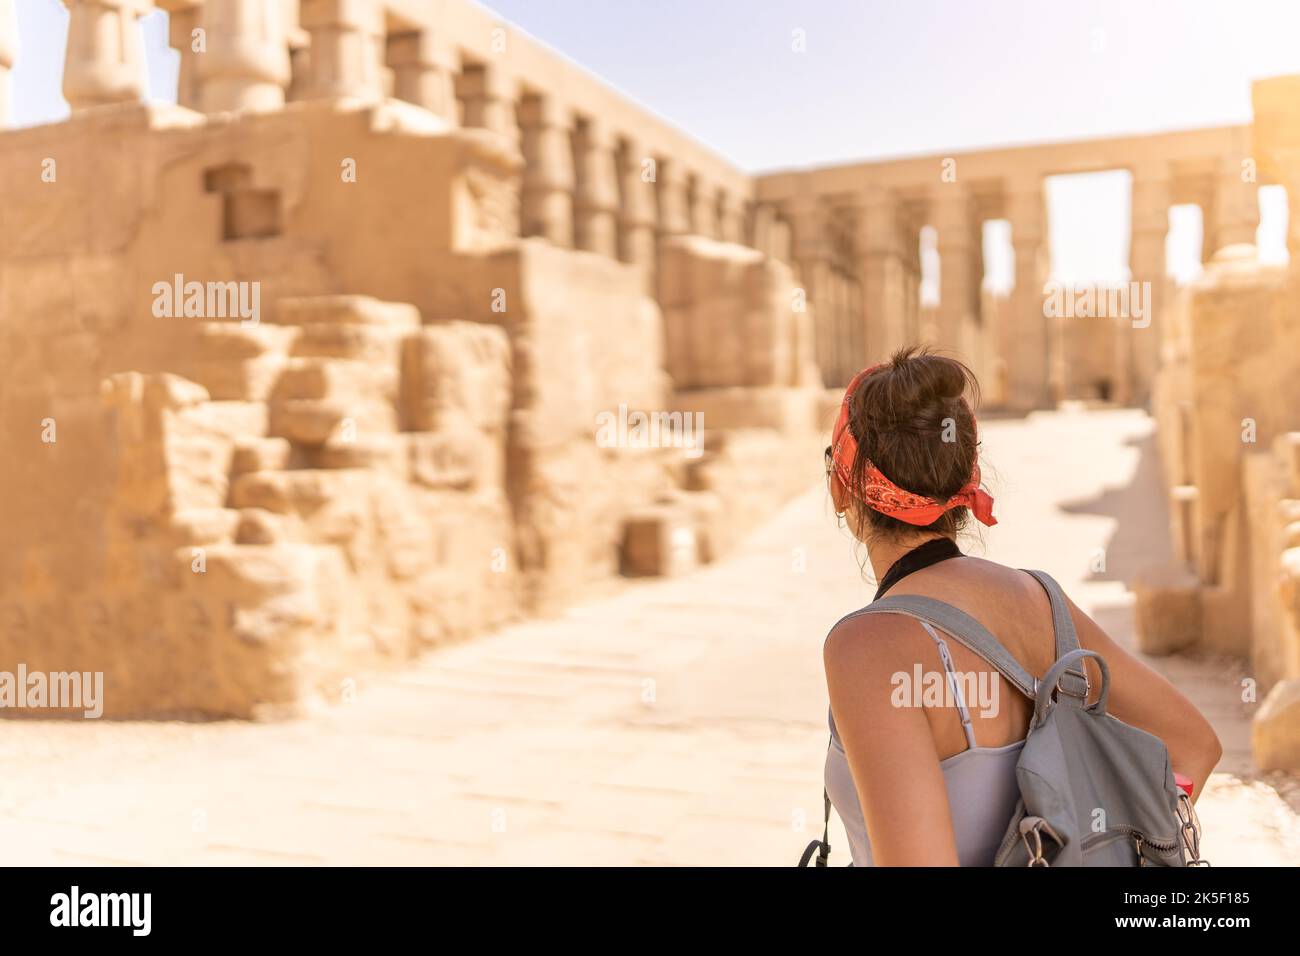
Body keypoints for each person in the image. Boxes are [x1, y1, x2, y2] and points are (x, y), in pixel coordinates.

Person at [821, 347, 1222, 866]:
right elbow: (1193, 748)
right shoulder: (1042, 600)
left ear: (840, 487)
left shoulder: (867, 648)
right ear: (968, 478)